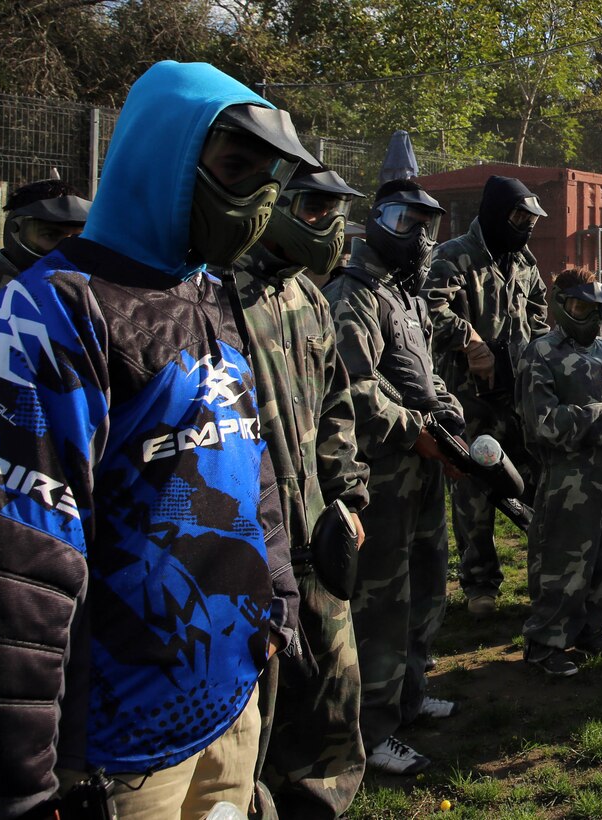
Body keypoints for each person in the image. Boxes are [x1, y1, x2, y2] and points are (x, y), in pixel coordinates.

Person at [0, 60, 321, 819]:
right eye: (236, 167)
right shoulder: (50, 315)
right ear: (165, 157)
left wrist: (278, 604)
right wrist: (20, 779)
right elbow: (16, 562)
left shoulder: (206, 291)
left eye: (270, 178)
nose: (259, 198)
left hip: (229, 706)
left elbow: (247, 462)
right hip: (115, 748)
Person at [233, 169, 370, 818]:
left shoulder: (310, 299)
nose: (330, 224)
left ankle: (321, 805)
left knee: (333, 693)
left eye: (336, 210)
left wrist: (349, 497)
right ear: (275, 205)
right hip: (246, 539)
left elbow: (336, 407)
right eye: (316, 208)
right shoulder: (216, 293)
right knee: (252, 705)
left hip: (317, 531)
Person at [324, 180, 464, 775]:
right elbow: (353, 387)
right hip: (379, 472)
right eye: (407, 221)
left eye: (427, 225)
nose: (420, 237)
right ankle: (372, 728)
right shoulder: (351, 293)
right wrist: (414, 431)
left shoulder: (403, 295)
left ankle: (408, 695)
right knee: (381, 600)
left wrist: (447, 410)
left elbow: (421, 374)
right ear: (377, 220)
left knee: (427, 584)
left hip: (421, 464)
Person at [424, 175, 550, 617]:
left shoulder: (526, 262)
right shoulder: (454, 255)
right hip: (469, 397)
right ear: (497, 212)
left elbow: (539, 315)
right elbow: (428, 306)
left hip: (518, 394)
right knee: (474, 490)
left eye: (531, 220)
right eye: (519, 217)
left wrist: (541, 359)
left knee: (535, 481)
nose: (526, 227)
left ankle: (546, 574)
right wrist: (469, 340)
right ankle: (480, 584)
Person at [515, 267, 602, 677]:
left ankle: (590, 628)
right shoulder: (541, 352)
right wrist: (599, 419)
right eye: (580, 307)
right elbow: (541, 421)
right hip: (569, 475)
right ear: (559, 305)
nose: (591, 316)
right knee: (562, 558)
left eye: (597, 308)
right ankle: (545, 642)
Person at [0, 178, 90, 325]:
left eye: (78, 238)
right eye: (50, 235)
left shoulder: (93, 313)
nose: (65, 249)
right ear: (14, 232)